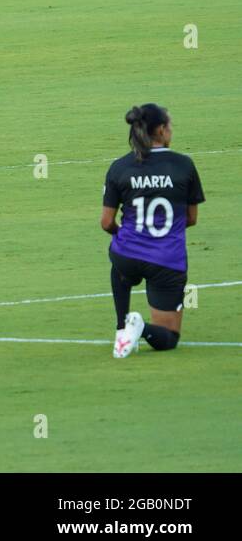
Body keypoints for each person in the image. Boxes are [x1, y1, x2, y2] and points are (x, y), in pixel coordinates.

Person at [101, 104, 204, 359]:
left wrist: (123, 234)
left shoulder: (119, 167)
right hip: (166, 260)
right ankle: (139, 327)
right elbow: (191, 219)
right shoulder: (184, 166)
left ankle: (121, 327)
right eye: (169, 125)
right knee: (167, 338)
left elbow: (106, 222)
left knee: (119, 259)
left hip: (128, 255)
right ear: (160, 130)